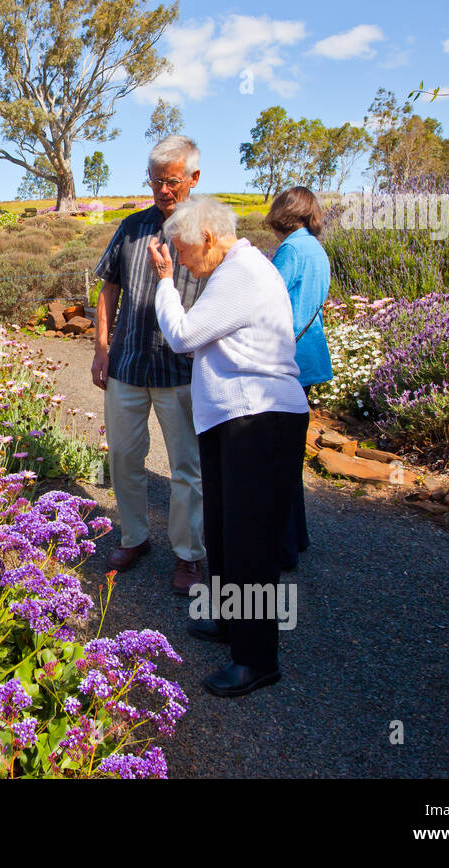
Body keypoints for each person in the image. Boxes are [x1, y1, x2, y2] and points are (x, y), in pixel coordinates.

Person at [146, 196, 309, 698]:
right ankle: (230, 623)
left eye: (184, 247)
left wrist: (165, 284)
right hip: (235, 419)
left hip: (257, 418)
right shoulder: (233, 271)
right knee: (223, 531)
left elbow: (184, 335)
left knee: (250, 542)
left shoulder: (241, 274)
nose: (182, 257)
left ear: (209, 238)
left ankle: (257, 659)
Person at [91, 136, 208, 594]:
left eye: (172, 181)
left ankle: (189, 555)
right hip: (128, 366)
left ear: (194, 179)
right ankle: (134, 537)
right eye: (156, 180)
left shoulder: (206, 228)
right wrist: (102, 348)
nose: (162, 189)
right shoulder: (132, 226)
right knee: (123, 458)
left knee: (187, 466)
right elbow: (108, 288)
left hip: (182, 370)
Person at [266, 187, 333, 572]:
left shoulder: (292, 250)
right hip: (306, 356)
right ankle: (298, 536)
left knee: (277, 456)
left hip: (285, 356)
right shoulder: (315, 249)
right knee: (290, 453)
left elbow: (267, 296)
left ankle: (283, 545)